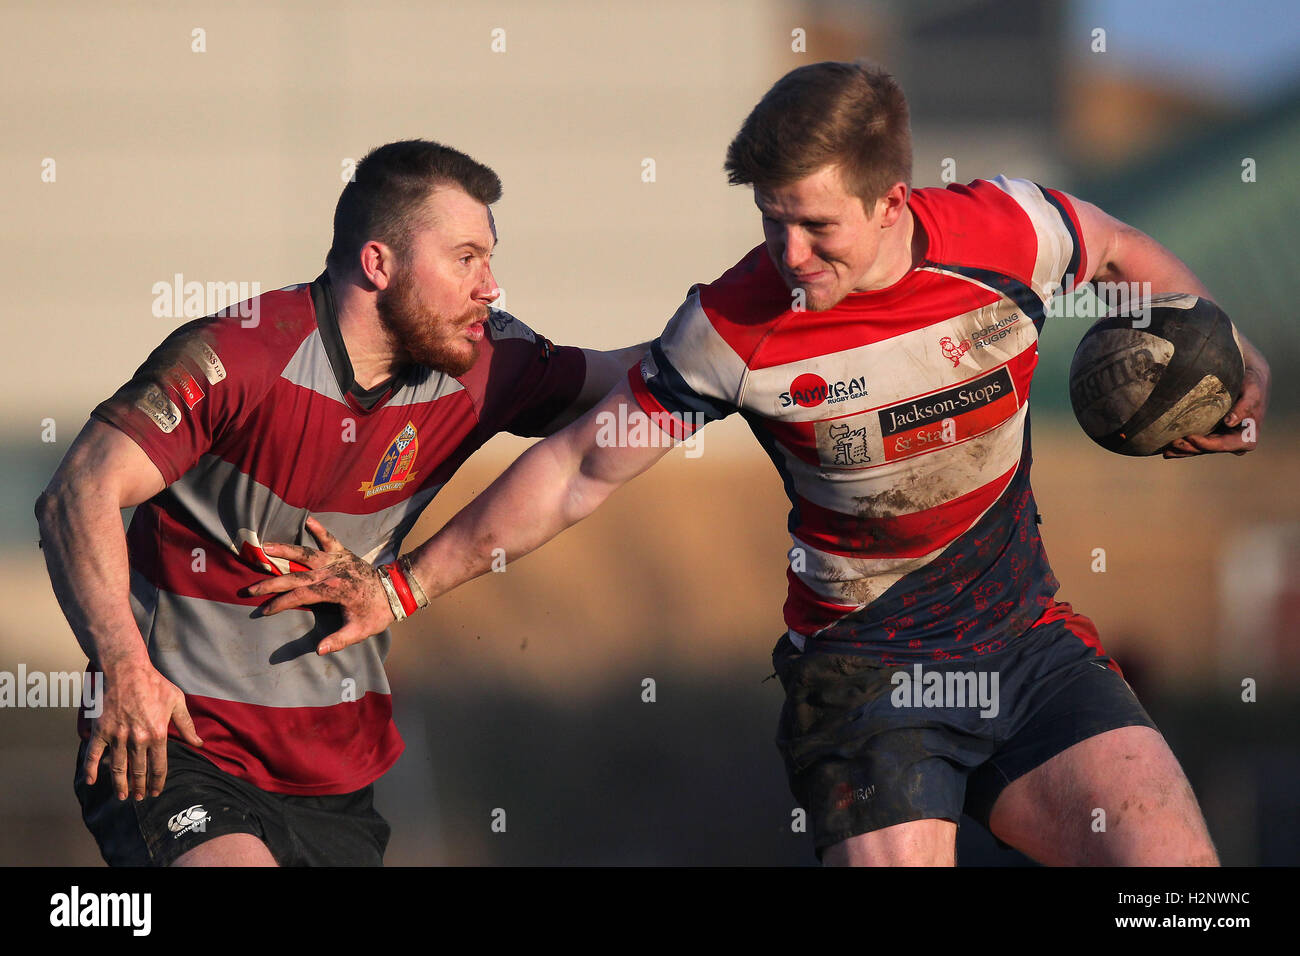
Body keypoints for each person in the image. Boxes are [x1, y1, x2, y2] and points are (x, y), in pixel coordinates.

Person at [266, 62, 1272, 866]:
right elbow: (581, 468)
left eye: (815, 224)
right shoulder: (732, 326)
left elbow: (1120, 251)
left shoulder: (1004, 233)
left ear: (891, 201)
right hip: (867, 676)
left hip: (1026, 638)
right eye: (769, 218)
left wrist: (1226, 357)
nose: (787, 252)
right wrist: (403, 585)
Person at [35, 139, 645, 867]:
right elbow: (79, 493)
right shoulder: (246, 354)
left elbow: (650, 381)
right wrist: (124, 665)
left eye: (489, 258)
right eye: (464, 259)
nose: (490, 286)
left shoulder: (486, 364)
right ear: (378, 263)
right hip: (182, 748)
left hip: (336, 776)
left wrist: (754, 328)